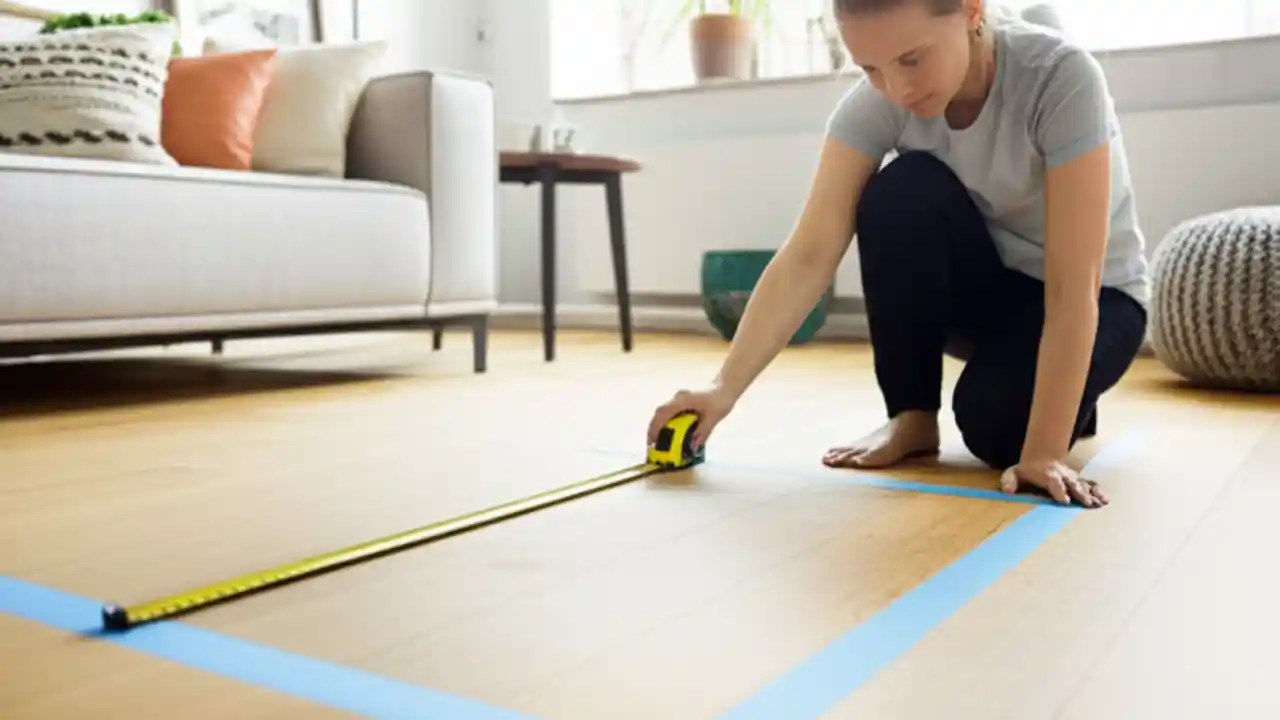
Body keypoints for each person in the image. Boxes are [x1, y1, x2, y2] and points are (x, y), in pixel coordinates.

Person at [647, 0, 1149, 507]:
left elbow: (1072, 288)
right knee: (899, 190)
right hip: (995, 293)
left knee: (998, 433)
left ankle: (1071, 397)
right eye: (870, 68)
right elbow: (809, 254)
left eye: (911, 59)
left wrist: (1042, 452)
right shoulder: (878, 101)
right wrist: (722, 388)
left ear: (972, 9)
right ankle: (911, 417)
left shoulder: (1061, 78)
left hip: (1099, 298)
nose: (897, 88)